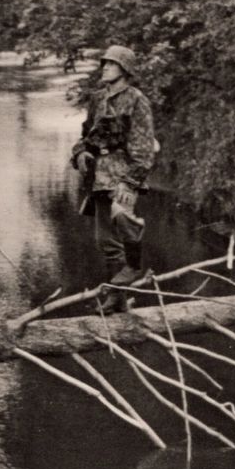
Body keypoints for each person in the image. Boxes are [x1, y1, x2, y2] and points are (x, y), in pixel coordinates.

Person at [71, 45, 157, 313]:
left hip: (123, 174)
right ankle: (117, 299)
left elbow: (143, 148)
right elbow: (86, 136)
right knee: (105, 241)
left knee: (125, 222)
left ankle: (133, 268)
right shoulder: (97, 99)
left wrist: (130, 182)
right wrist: (81, 153)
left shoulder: (136, 100)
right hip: (99, 176)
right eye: (104, 63)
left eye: (111, 63)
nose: (105, 67)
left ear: (124, 70)